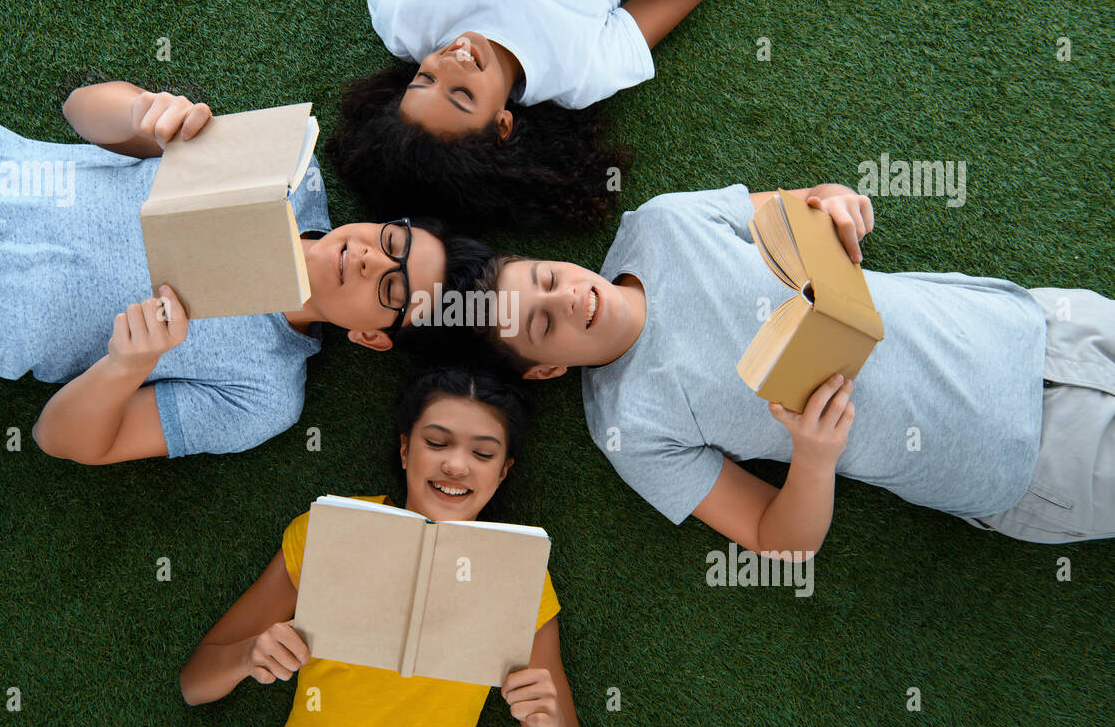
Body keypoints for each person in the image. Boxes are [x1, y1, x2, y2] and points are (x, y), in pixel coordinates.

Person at [0, 0, 489, 463]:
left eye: (394, 288)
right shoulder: (287, 172)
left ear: (372, 335)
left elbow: (64, 439)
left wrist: (125, 363)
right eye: (394, 241)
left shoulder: (263, 393)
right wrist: (143, 114)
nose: (374, 259)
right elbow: (81, 108)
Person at [470, 183, 1115, 548]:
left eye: (547, 278)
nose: (567, 297)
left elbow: (803, 205)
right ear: (545, 371)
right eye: (542, 323)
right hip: (1019, 459)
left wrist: (836, 205)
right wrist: (813, 455)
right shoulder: (628, 429)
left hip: (1034, 325)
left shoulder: (661, 223)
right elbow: (779, 542)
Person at [180, 364, 582, 727]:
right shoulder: (328, 530)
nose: (456, 465)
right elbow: (195, 685)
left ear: (503, 471)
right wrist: (248, 656)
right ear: (405, 449)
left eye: (483, 454)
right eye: (437, 442)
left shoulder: (518, 573)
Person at [326, 0, 719, 230]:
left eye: (424, 79)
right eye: (463, 95)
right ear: (503, 125)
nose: (452, 61)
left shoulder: (406, 20)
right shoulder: (581, 71)